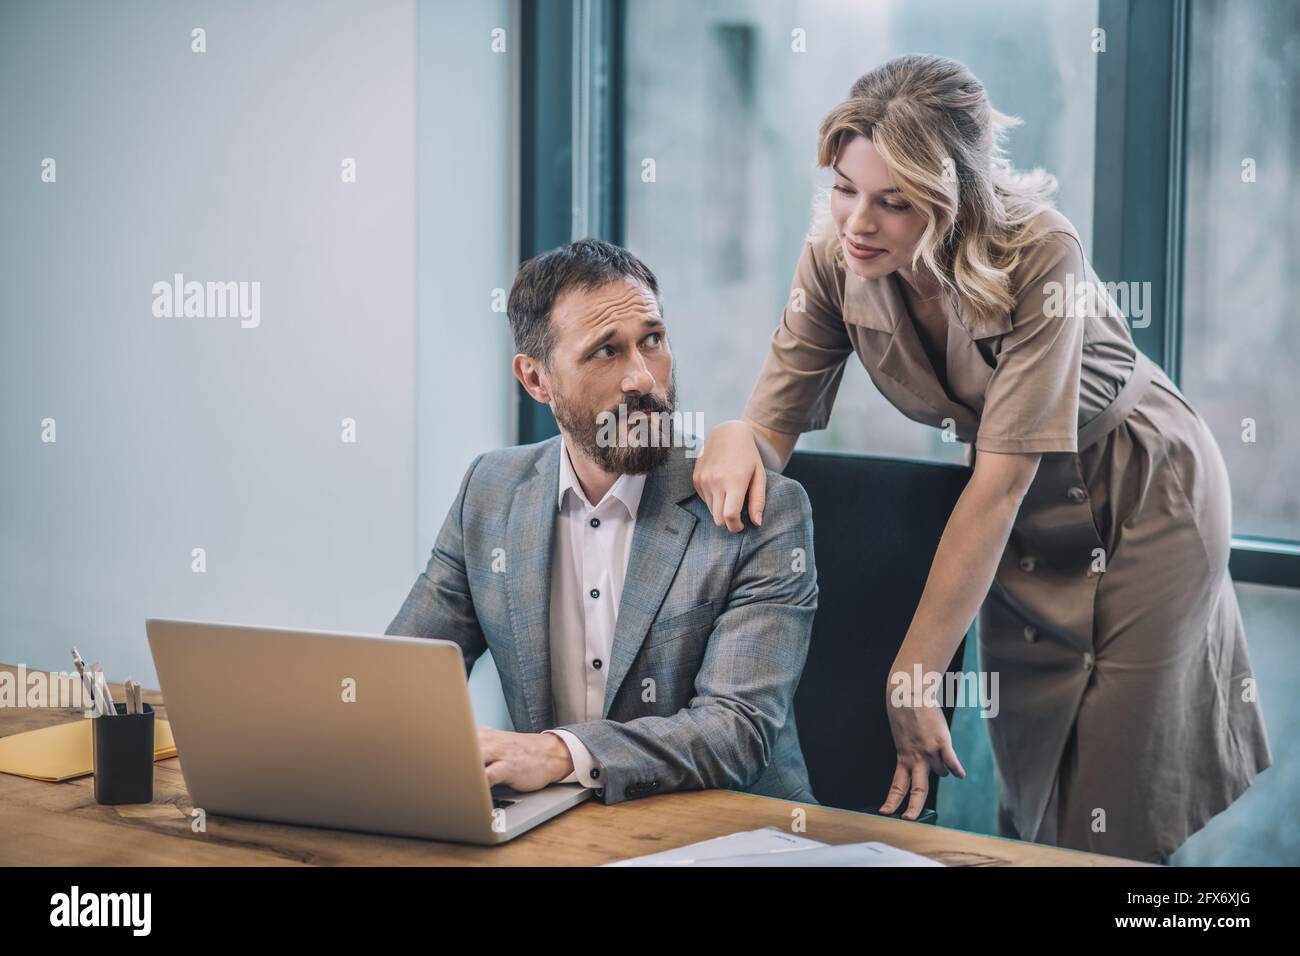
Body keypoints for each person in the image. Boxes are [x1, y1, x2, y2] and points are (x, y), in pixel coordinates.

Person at [692, 54, 1271, 862]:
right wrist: (733, 436)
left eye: (894, 203)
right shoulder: (834, 257)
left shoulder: (1040, 252)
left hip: (1143, 497)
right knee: (1035, 781)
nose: (858, 221)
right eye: (845, 187)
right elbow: (770, 429)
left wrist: (914, 673)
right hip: (1023, 524)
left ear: (951, 194)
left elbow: (998, 481)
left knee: (1118, 798)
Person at [387, 238, 819, 804]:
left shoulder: (756, 507)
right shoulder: (489, 494)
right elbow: (402, 680)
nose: (642, 377)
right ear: (536, 380)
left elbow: (736, 730)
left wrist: (559, 752)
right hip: (562, 831)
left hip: (736, 835)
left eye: (653, 341)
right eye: (605, 352)